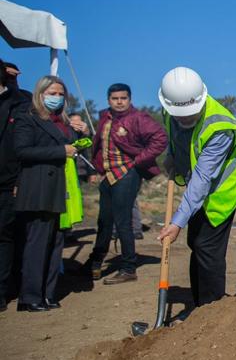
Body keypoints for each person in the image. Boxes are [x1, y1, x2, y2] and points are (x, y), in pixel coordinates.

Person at [156, 67, 236, 307]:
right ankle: (199, 309)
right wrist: (172, 157)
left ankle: (212, 312)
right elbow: (177, 139)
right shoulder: (170, 111)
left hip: (221, 192)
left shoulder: (220, 126)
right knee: (195, 243)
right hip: (196, 188)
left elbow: (202, 179)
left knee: (207, 248)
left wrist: (177, 222)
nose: (185, 118)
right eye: (180, 114)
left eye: (189, 113)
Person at [86, 83, 168, 284]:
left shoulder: (138, 118)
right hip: (107, 175)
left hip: (126, 174)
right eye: (115, 98)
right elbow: (99, 145)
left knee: (123, 221)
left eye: (123, 98)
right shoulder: (104, 118)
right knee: (104, 221)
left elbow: (160, 137)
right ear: (108, 100)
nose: (119, 102)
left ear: (129, 99)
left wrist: (138, 162)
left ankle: (129, 267)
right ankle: (95, 262)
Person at [12, 75, 77, 311]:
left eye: (60, 94)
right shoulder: (27, 118)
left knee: (55, 243)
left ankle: (48, 293)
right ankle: (29, 296)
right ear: (40, 94)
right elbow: (23, 151)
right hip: (38, 189)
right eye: (52, 93)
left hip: (60, 190)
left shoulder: (64, 122)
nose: (56, 98)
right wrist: (60, 151)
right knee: (37, 245)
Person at [0, 59, 31, 311]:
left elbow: (23, 148)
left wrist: (21, 180)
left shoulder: (20, 102)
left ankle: (4, 290)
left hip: (9, 182)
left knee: (6, 235)